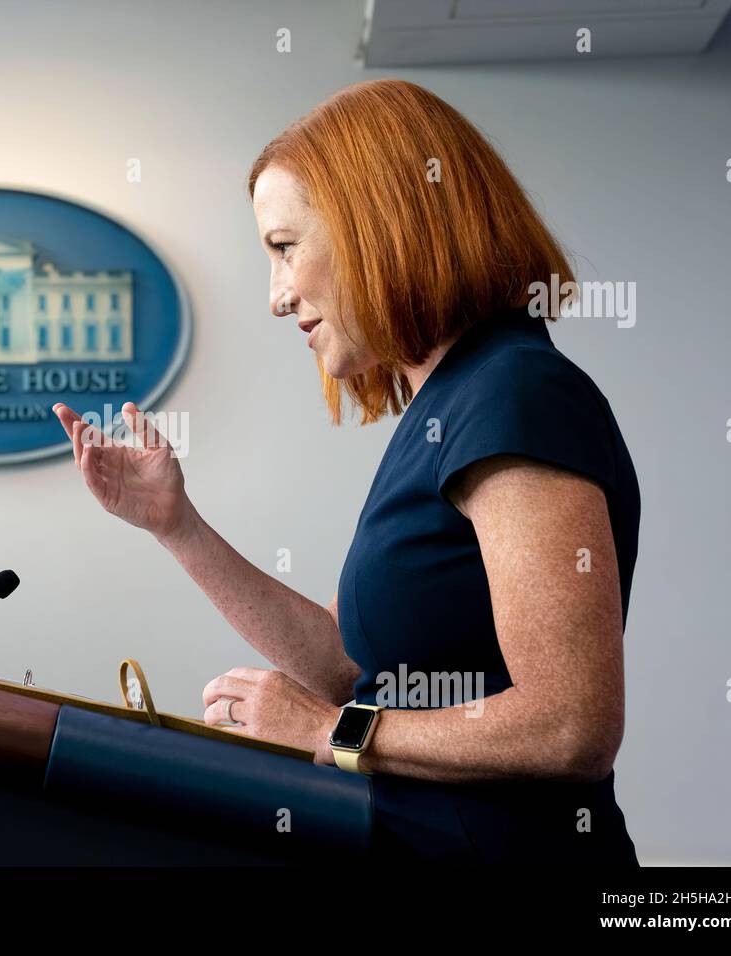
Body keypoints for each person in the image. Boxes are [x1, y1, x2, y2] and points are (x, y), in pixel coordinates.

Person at [52, 79, 640, 865]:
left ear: (380, 225)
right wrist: (177, 526)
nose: (276, 296)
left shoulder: (515, 394)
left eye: (284, 248)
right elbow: (344, 665)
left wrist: (332, 734)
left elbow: (571, 725)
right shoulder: (455, 398)